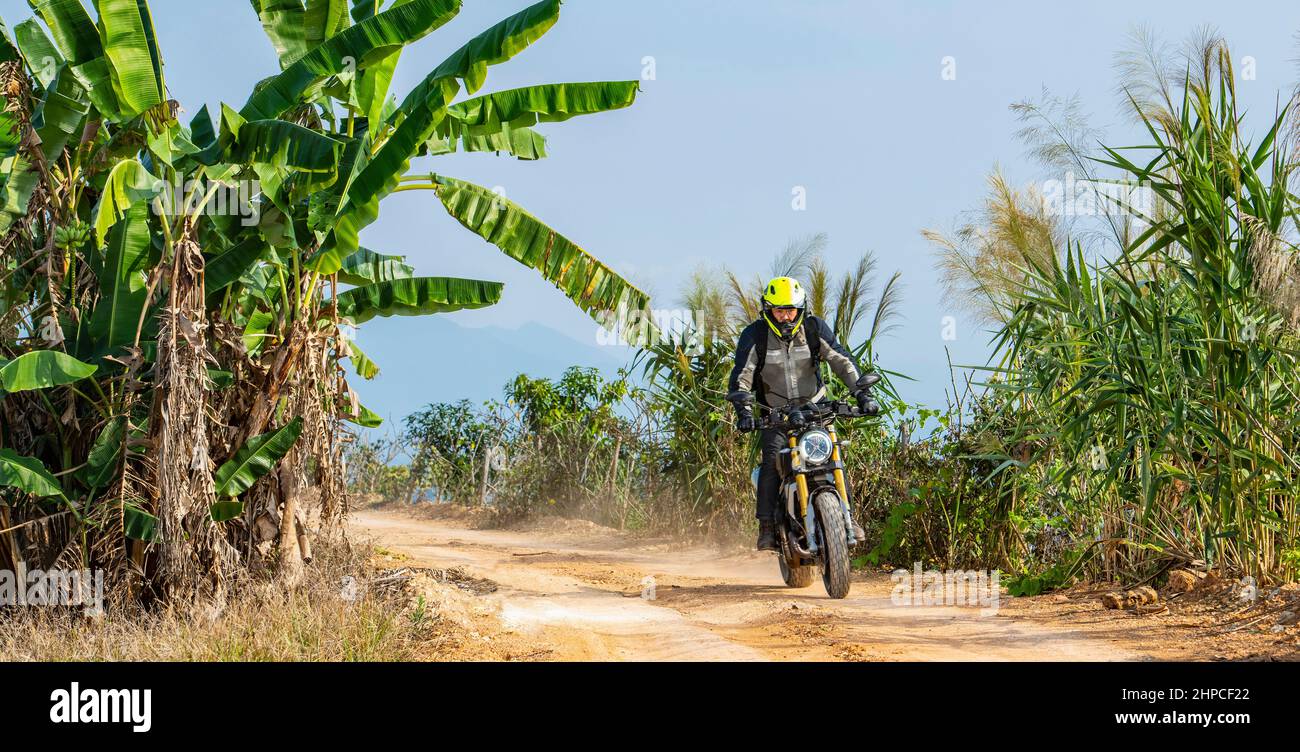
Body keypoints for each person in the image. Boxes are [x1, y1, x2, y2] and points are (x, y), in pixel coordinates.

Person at [726, 276, 877, 551]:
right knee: (773, 461)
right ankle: (767, 527)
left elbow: (841, 360)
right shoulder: (755, 335)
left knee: (834, 457)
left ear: (800, 309)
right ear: (768, 310)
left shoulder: (813, 327)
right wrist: (744, 410)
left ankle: (849, 518)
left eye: (791, 310)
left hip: (816, 409)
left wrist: (862, 394)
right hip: (775, 414)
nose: (785, 316)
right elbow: (742, 375)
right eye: (779, 310)